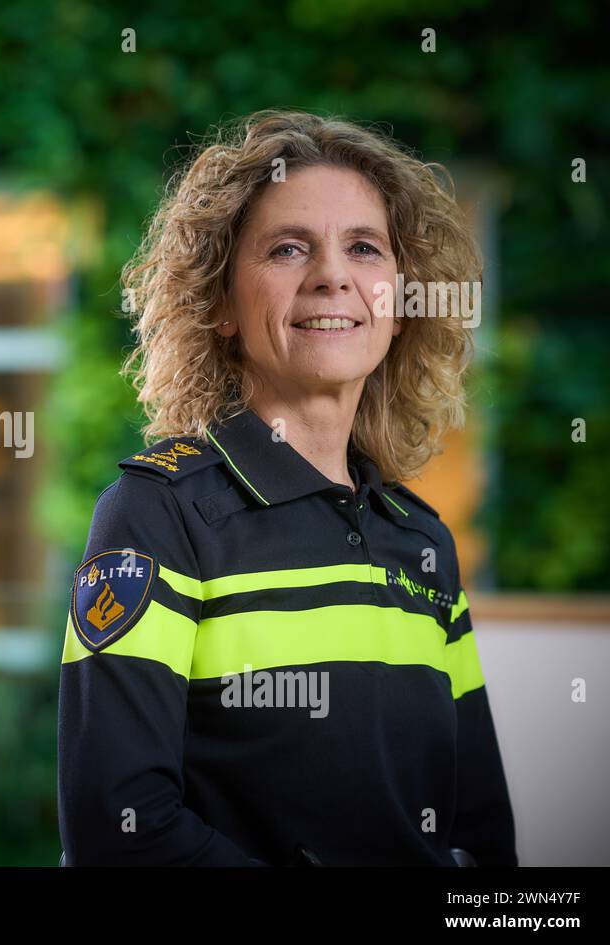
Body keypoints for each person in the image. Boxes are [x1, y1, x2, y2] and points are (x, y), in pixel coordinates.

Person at [57, 110, 517, 866]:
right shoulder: (159, 515)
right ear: (220, 303)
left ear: (399, 305)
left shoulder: (424, 541)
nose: (333, 274)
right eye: (288, 247)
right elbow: (119, 827)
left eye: (364, 248)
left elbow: (483, 837)